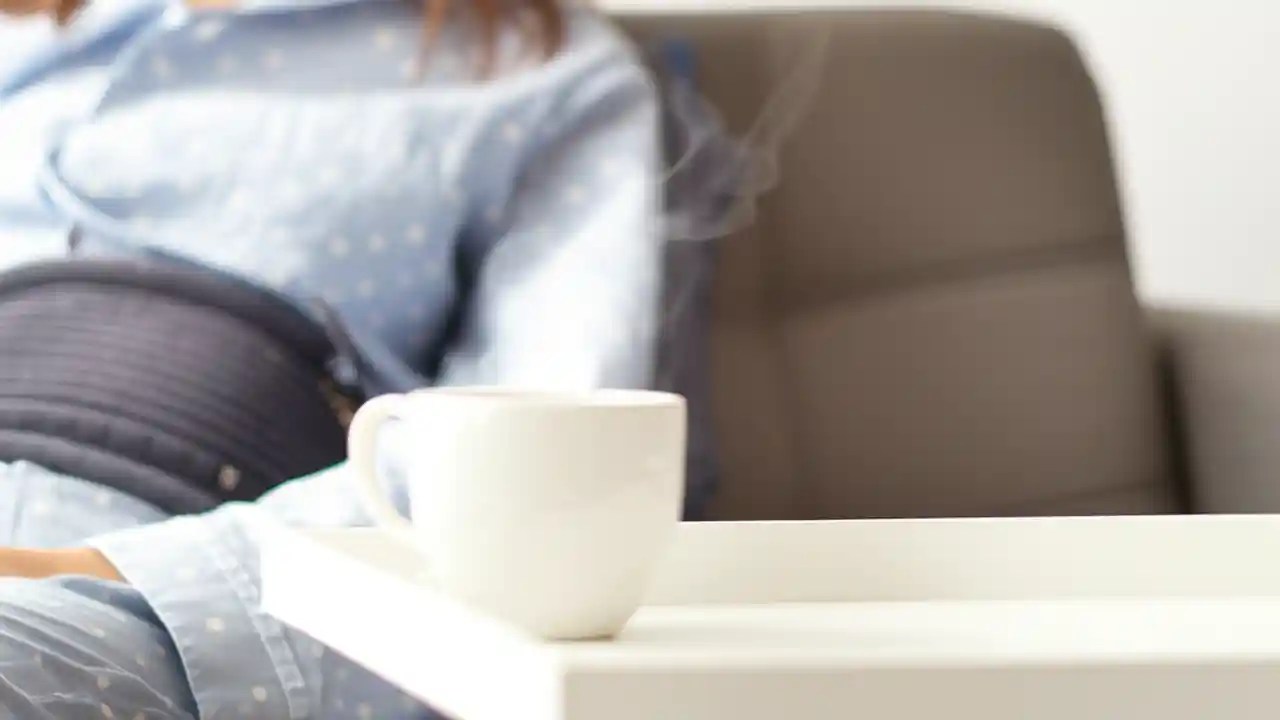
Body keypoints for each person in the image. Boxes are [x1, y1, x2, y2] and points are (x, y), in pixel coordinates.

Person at [0, 0, 661, 715]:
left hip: (169, 568)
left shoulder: (542, 75)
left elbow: (547, 452)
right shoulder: (36, 37)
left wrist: (127, 570)